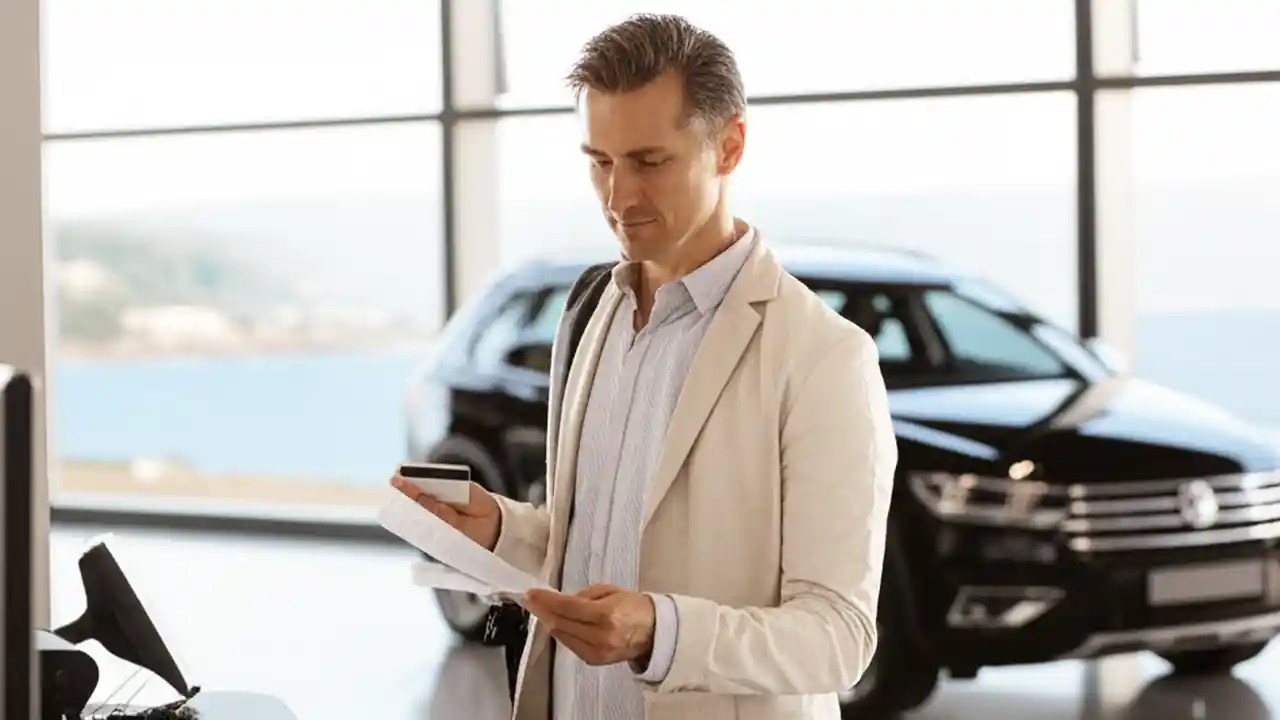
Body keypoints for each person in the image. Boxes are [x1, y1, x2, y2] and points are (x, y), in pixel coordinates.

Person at [392, 13, 897, 720]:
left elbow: (838, 637)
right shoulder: (593, 312)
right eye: (599, 161)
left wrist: (661, 630)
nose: (618, 197)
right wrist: (501, 531)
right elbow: (599, 544)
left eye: (649, 162)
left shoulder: (823, 356)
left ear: (730, 146)